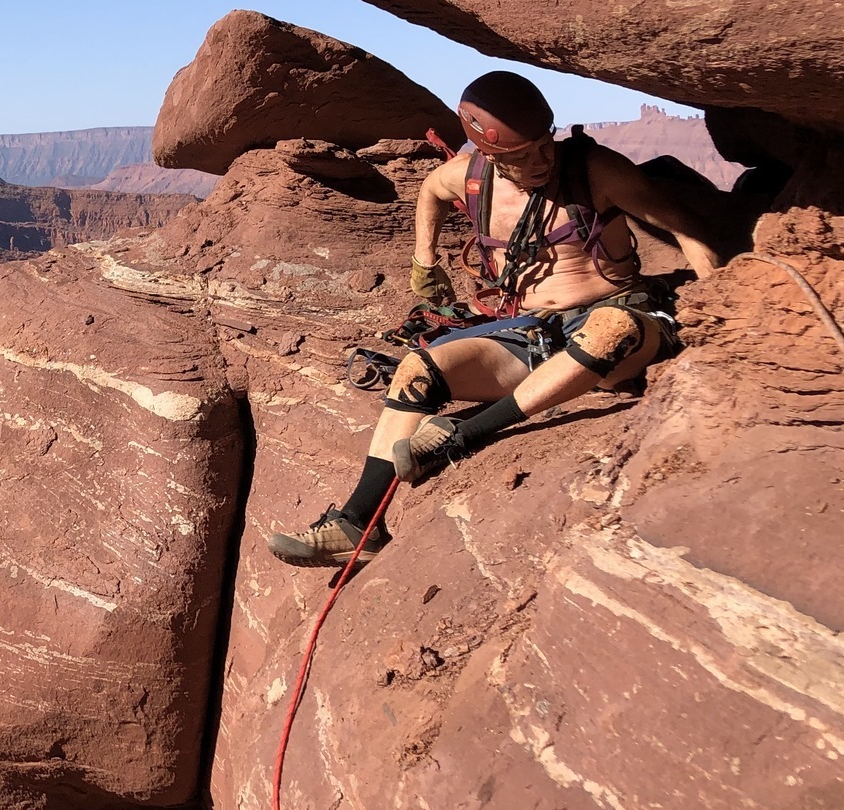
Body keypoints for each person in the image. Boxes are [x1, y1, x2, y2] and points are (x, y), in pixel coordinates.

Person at [267, 70, 723, 568]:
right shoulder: (470, 176)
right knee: (416, 369)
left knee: (611, 328)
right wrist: (425, 260)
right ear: (491, 156)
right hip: (536, 334)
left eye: (544, 145)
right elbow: (431, 191)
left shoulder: (596, 171)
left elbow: (682, 224)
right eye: (521, 156)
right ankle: (358, 523)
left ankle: (461, 439)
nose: (541, 160)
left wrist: (718, 306)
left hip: (623, 320)